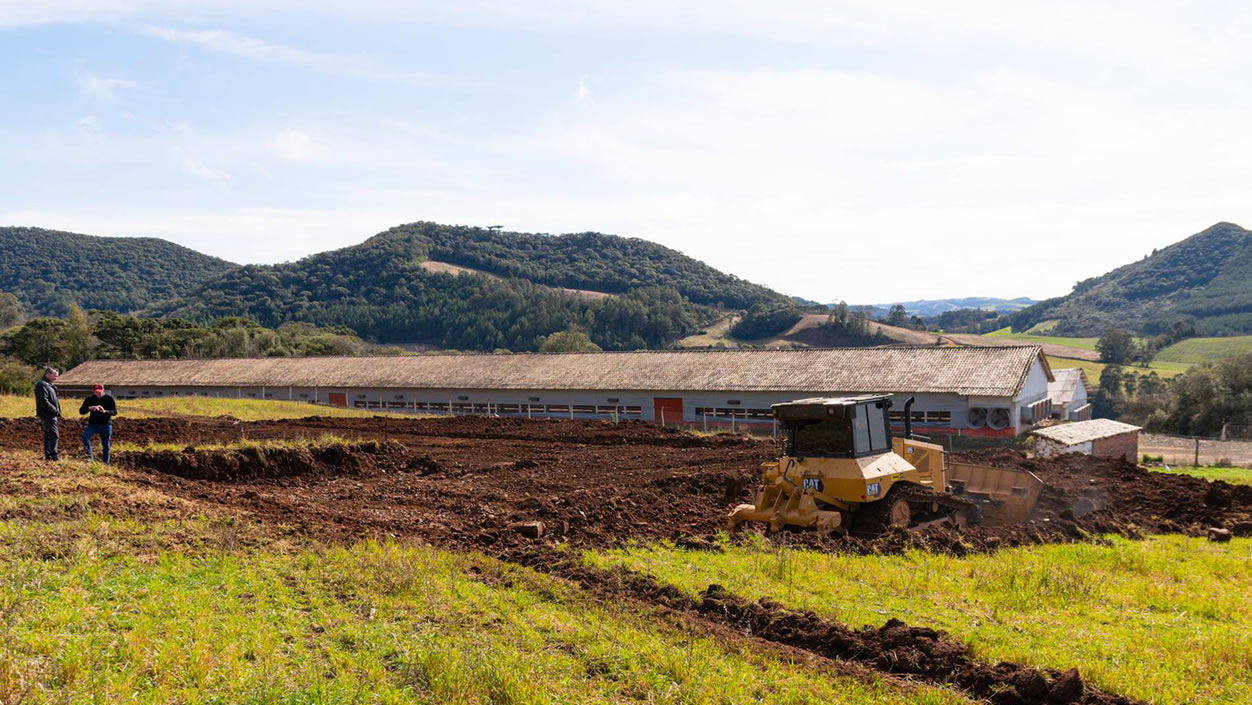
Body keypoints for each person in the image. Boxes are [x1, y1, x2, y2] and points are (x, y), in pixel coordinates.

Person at [80, 383, 118, 464]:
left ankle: (106, 462)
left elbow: (114, 412)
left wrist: (105, 411)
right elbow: (81, 411)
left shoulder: (109, 398)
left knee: (106, 444)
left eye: (100, 391)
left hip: (106, 424)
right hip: (93, 423)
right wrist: (90, 408)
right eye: (96, 391)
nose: (98, 393)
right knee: (85, 437)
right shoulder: (90, 398)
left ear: (103, 390)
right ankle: (89, 458)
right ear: (93, 391)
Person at [34, 367, 61, 461]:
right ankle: (54, 456)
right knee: (54, 435)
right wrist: (54, 410)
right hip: (48, 414)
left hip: (50, 414)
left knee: (49, 435)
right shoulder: (42, 385)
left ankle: (49, 455)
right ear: (47, 374)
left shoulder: (48, 385)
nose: (56, 378)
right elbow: (43, 401)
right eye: (54, 376)